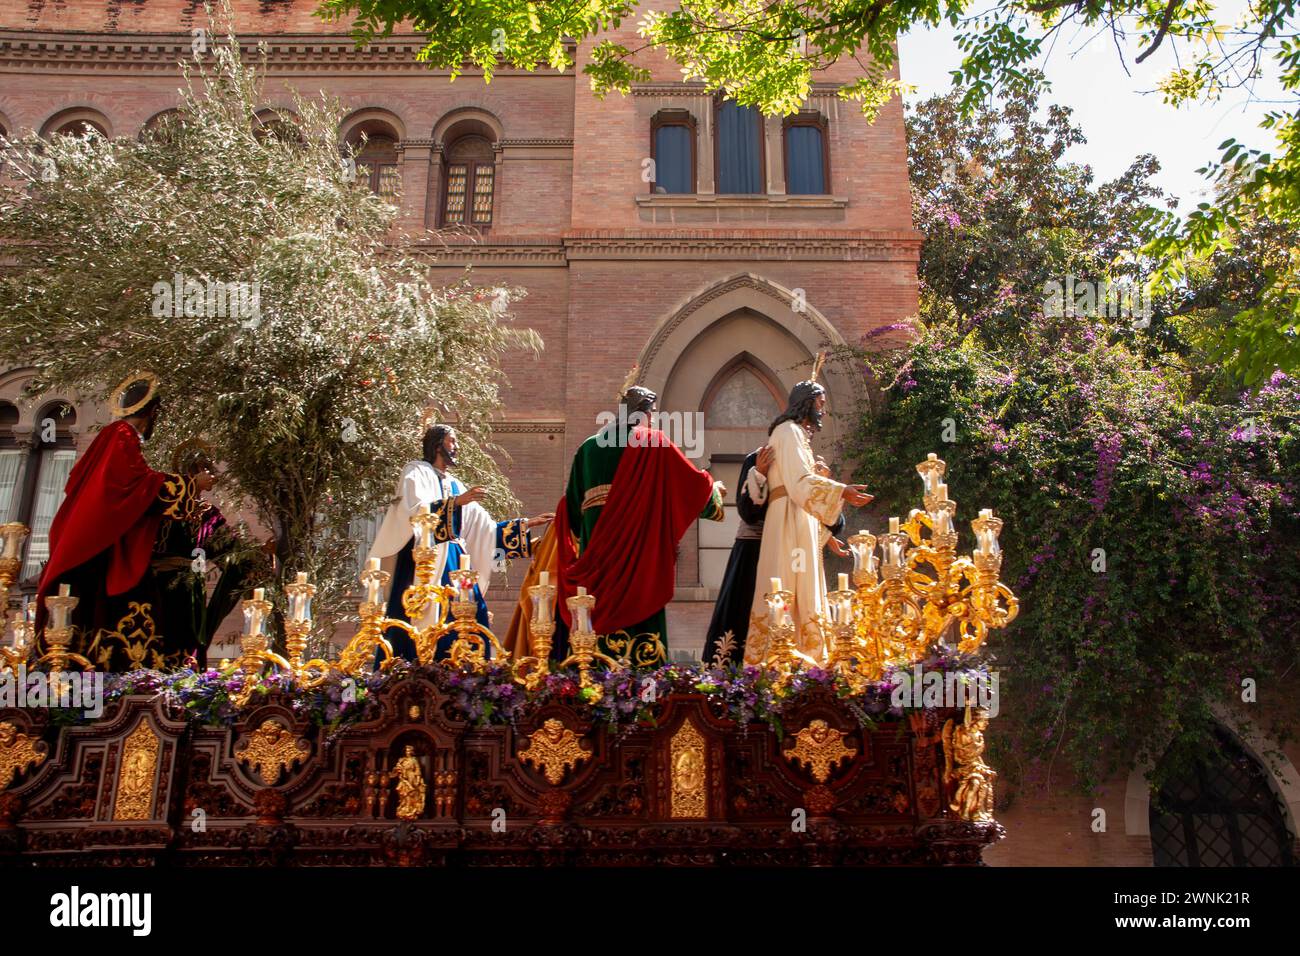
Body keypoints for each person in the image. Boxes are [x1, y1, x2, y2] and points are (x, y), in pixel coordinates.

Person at [35, 372, 217, 670]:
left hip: (104, 542)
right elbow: (130, 485)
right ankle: (129, 677)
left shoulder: (116, 436)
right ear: (153, 412)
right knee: (138, 604)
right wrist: (191, 485)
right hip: (101, 549)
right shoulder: (121, 435)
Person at [555, 375, 725, 667]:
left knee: (593, 626)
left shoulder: (588, 448)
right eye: (653, 414)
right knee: (642, 629)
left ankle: (592, 688)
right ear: (646, 412)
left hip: (597, 562)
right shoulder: (654, 443)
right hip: (640, 561)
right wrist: (715, 493)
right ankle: (645, 696)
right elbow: (692, 486)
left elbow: (570, 511)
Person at [368, 423, 552, 661]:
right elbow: (414, 513)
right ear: (436, 445)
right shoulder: (416, 472)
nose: (456, 448)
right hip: (425, 562)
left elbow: (484, 530)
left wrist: (525, 525)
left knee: (469, 620)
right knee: (420, 621)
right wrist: (456, 503)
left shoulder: (456, 484)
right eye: (451, 441)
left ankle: (464, 678)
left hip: (457, 564)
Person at [746, 369, 872, 666]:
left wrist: (826, 537)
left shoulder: (797, 436)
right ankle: (779, 662)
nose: (823, 410)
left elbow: (804, 486)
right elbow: (800, 483)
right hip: (787, 519)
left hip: (798, 519)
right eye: (820, 403)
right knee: (787, 585)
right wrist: (842, 491)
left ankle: (808, 659)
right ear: (806, 403)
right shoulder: (787, 432)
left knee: (802, 586)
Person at [701, 443, 848, 666]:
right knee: (745, 618)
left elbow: (835, 523)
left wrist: (824, 486)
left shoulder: (808, 468)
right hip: (755, 553)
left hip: (794, 555)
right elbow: (748, 513)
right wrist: (759, 473)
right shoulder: (759, 458)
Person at [152, 442, 266, 669]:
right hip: (157, 586)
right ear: (192, 471)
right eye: (207, 469)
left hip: (191, 589)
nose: (214, 476)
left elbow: (231, 550)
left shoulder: (209, 514)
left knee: (189, 643)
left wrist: (260, 553)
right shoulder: (162, 502)